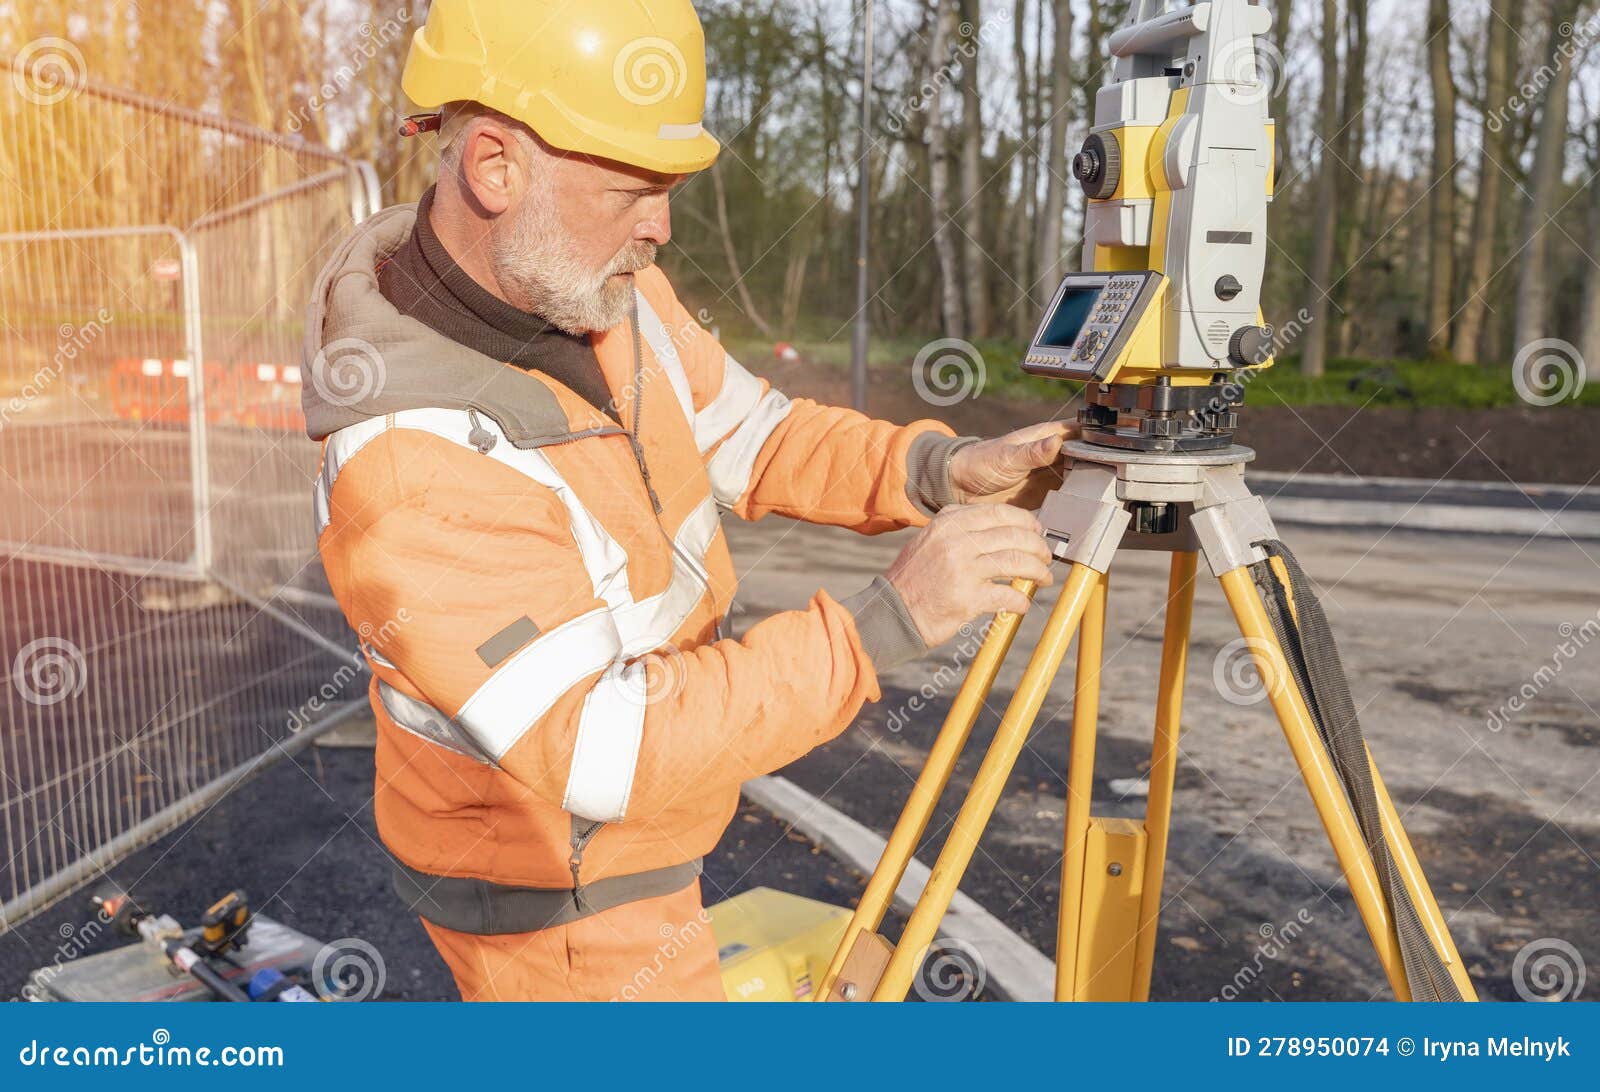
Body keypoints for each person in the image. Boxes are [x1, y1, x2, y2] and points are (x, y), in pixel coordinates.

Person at [305, 0, 1072, 1001]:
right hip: (555, 902)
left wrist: (932, 470)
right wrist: (889, 622)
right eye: (632, 190)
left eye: (667, 189)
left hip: (640, 841)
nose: (659, 228)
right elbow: (602, 748)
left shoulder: (598, 293)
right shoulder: (412, 460)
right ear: (494, 167)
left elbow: (755, 436)